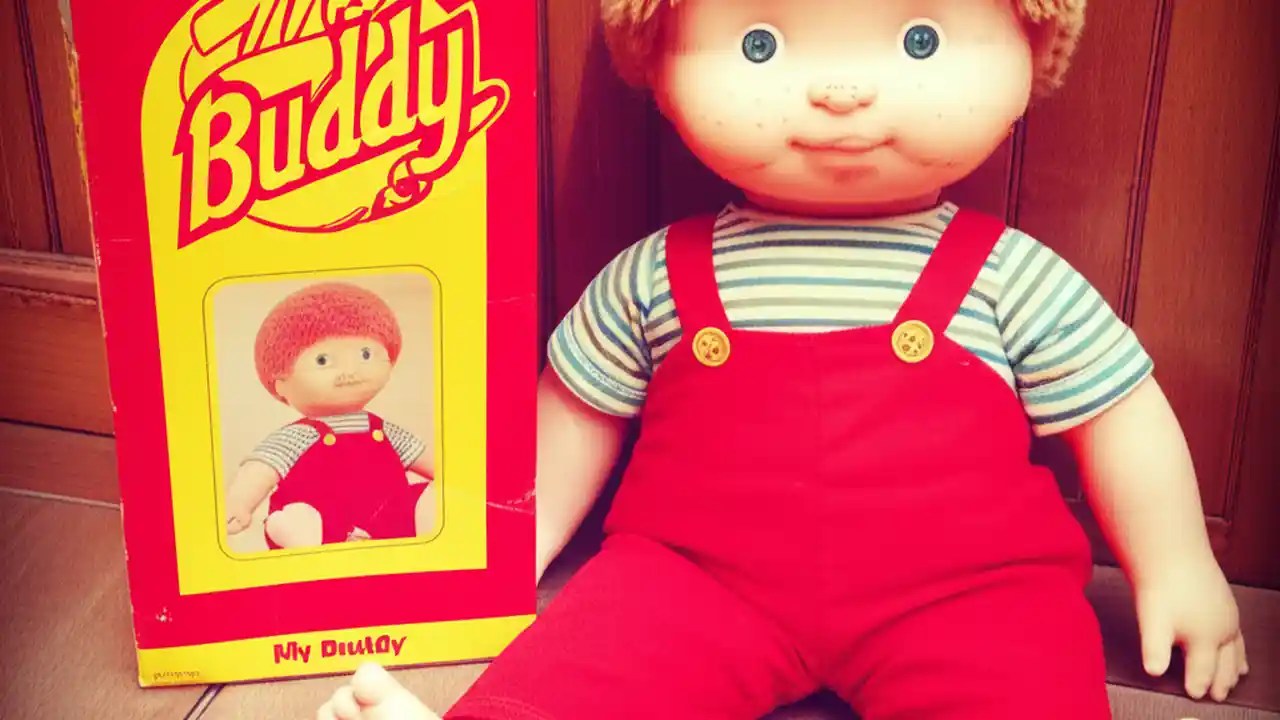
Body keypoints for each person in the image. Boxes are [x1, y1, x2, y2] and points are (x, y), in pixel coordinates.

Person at [318, 1, 1247, 717]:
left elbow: (1119, 414)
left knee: (1027, 679)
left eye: (919, 40)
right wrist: (503, 557)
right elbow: (573, 416)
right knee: (587, 662)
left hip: (971, 592)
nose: (841, 92)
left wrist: (1178, 564)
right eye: (759, 45)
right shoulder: (658, 273)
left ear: (1030, 45)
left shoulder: (1006, 276)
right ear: (658, 57)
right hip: (690, 579)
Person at [226, 281, 435, 548]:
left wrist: (463, 474)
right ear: (280, 382)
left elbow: (431, 461)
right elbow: (262, 467)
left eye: (365, 354)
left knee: (432, 497)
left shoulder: (386, 431)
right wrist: (240, 502)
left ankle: (429, 531)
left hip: (389, 523)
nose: (350, 372)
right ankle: (300, 535)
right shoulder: (297, 436)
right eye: (323, 361)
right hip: (323, 523)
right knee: (300, 515)